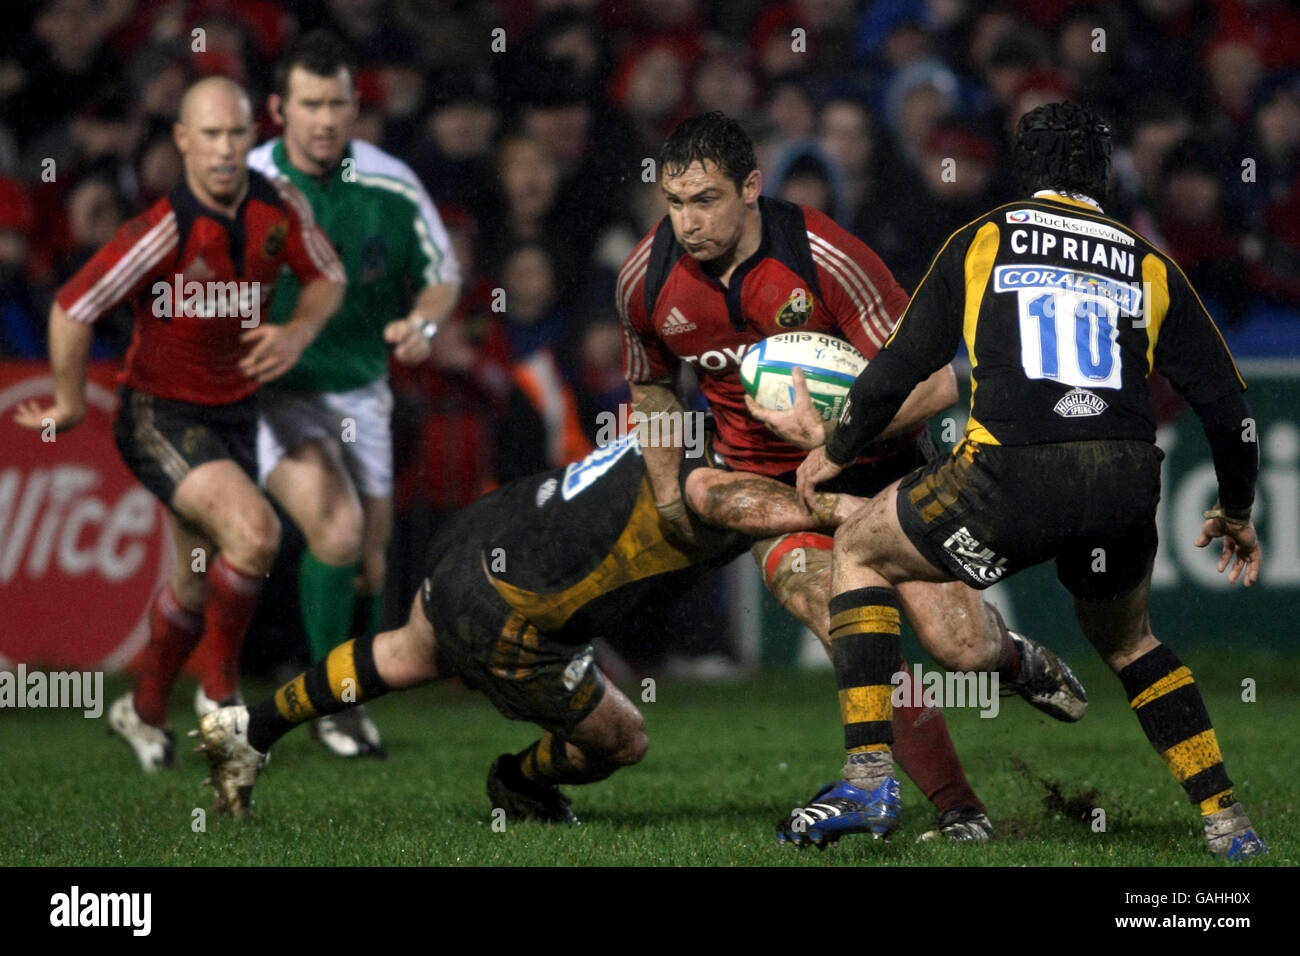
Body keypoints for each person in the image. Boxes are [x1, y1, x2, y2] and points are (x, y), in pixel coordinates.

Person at [787, 101, 1267, 860]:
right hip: (1123, 480)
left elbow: (895, 372)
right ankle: (1227, 823)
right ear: (1104, 176)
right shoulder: (1148, 260)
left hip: (1009, 472)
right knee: (1133, 644)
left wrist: (838, 447)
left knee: (859, 549)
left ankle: (870, 776)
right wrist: (1237, 509)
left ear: (1024, 170)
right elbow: (1230, 412)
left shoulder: (983, 238)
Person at [618, 111, 1087, 843]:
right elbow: (649, 386)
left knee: (957, 646)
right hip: (773, 491)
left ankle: (1014, 659)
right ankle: (962, 812)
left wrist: (836, 441)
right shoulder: (645, 283)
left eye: (705, 200)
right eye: (674, 203)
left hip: (881, 474)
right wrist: (664, 486)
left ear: (751, 187)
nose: (687, 222)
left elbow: (936, 385)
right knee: (848, 632)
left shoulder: (823, 258)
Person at [196, 435, 982, 831]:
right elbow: (762, 507)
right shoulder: (720, 477)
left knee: (402, 653)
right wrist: (873, 510)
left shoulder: (674, 432)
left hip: (479, 539)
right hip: (513, 611)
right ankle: (521, 781)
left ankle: (250, 728)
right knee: (623, 739)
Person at [13, 76, 346, 771]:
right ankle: (218, 690)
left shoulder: (278, 208)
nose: (226, 149)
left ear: (254, 136)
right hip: (157, 415)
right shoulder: (159, 231)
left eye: (237, 133)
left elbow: (329, 276)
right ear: (184, 141)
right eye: (211, 135)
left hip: (233, 416)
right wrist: (72, 404)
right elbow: (73, 307)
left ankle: (142, 710)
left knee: (197, 580)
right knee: (256, 534)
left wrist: (296, 334)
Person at [246, 31, 461, 757]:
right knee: (336, 532)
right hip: (271, 396)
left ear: (355, 106)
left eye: (337, 103)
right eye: (309, 103)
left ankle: (347, 696)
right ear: (278, 108)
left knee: (369, 561)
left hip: (360, 394)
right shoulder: (243, 186)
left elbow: (443, 273)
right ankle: (322, 703)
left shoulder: (390, 184)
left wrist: (424, 323)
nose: (324, 119)